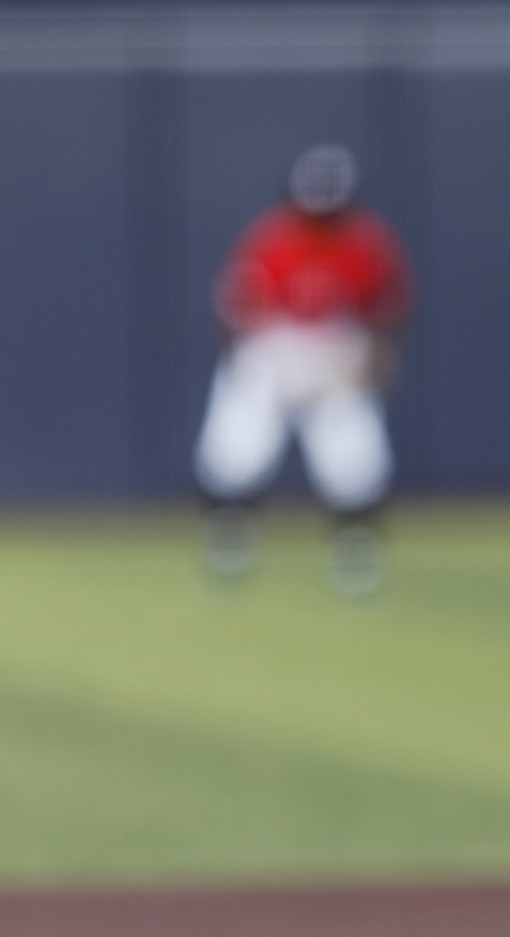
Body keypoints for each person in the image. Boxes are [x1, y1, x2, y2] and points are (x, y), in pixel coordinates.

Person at [193, 144, 409, 597]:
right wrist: (246, 364)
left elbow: (384, 308)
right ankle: (228, 542)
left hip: (335, 350)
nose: (323, 218)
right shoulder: (273, 237)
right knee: (238, 450)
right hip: (275, 346)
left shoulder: (365, 241)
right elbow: (236, 309)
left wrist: (376, 353)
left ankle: (356, 551)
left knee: (354, 458)